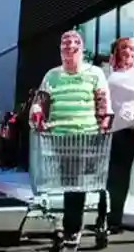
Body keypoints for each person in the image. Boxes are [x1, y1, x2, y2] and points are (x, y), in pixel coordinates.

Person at [30, 31, 111, 250]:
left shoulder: (94, 73)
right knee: (61, 184)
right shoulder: (52, 75)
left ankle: (71, 230)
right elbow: (41, 99)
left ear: (81, 50)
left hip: (86, 136)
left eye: (75, 46)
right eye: (65, 46)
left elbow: (103, 99)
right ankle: (65, 227)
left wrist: (104, 122)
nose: (70, 49)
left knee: (75, 185)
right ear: (60, 51)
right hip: (58, 137)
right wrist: (37, 113)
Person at [101, 37, 134, 234]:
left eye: (132, 48)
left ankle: (114, 219)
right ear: (115, 50)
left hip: (128, 130)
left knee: (119, 175)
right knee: (103, 176)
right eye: (123, 47)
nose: (128, 51)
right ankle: (102, 216)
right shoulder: (106, 71)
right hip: (104, 130)